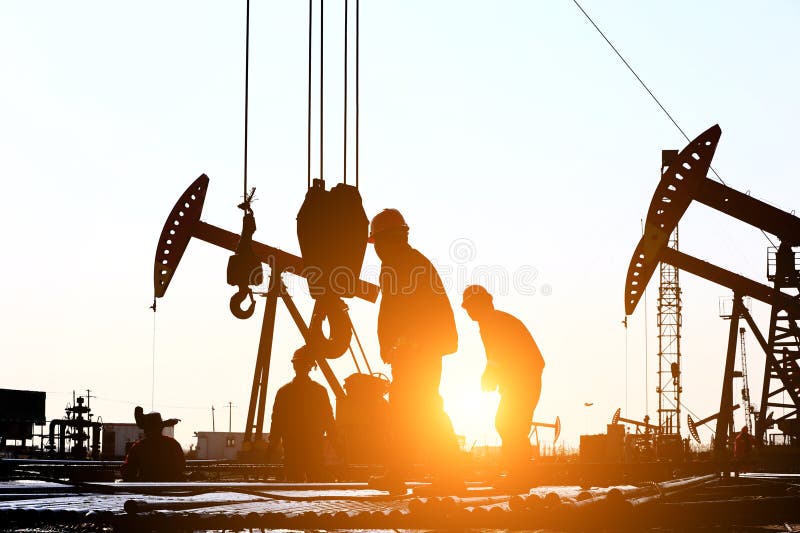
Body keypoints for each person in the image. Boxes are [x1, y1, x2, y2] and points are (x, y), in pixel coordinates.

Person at [369, 208, 461, 491]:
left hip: (420, 353)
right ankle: (398, 476)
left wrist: (409, 343)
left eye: (378, 244)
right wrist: (389, 344)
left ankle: (450, 476)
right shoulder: (397, 264)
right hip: (410, 353)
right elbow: (391, 311)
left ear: (389, 239)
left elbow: (416, 311)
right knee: (406, 411)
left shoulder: (409, 265)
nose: (376, 251)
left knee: (425, 409)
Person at [461, 284, 545, 480]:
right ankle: (519, 473)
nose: (469, 312)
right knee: (510, 424)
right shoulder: (493, 321)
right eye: (467, 308)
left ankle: (519, 475)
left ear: (483, 304)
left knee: (508, 424)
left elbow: (499, 353)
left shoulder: (494, 322)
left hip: (524, 380)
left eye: (471, 306)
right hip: (521, 381)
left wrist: (491, 373)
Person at [267, 345, 337, 481]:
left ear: (294, 366)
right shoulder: (319, 391)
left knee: (294, 486)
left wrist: (272, 444)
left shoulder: (284, 392)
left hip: (293, 448)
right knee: (316, 486)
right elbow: (329, 420)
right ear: (311, 366)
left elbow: (277, 421)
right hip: (312, 447)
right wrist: (336, 443)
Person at [120, 406, 184, 482]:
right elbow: (181, 466)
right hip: (170, 489)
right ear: (161, 428)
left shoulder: (139, 446)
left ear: (146, 429)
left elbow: (128, 471)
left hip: (146, 489)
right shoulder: (173, 444)